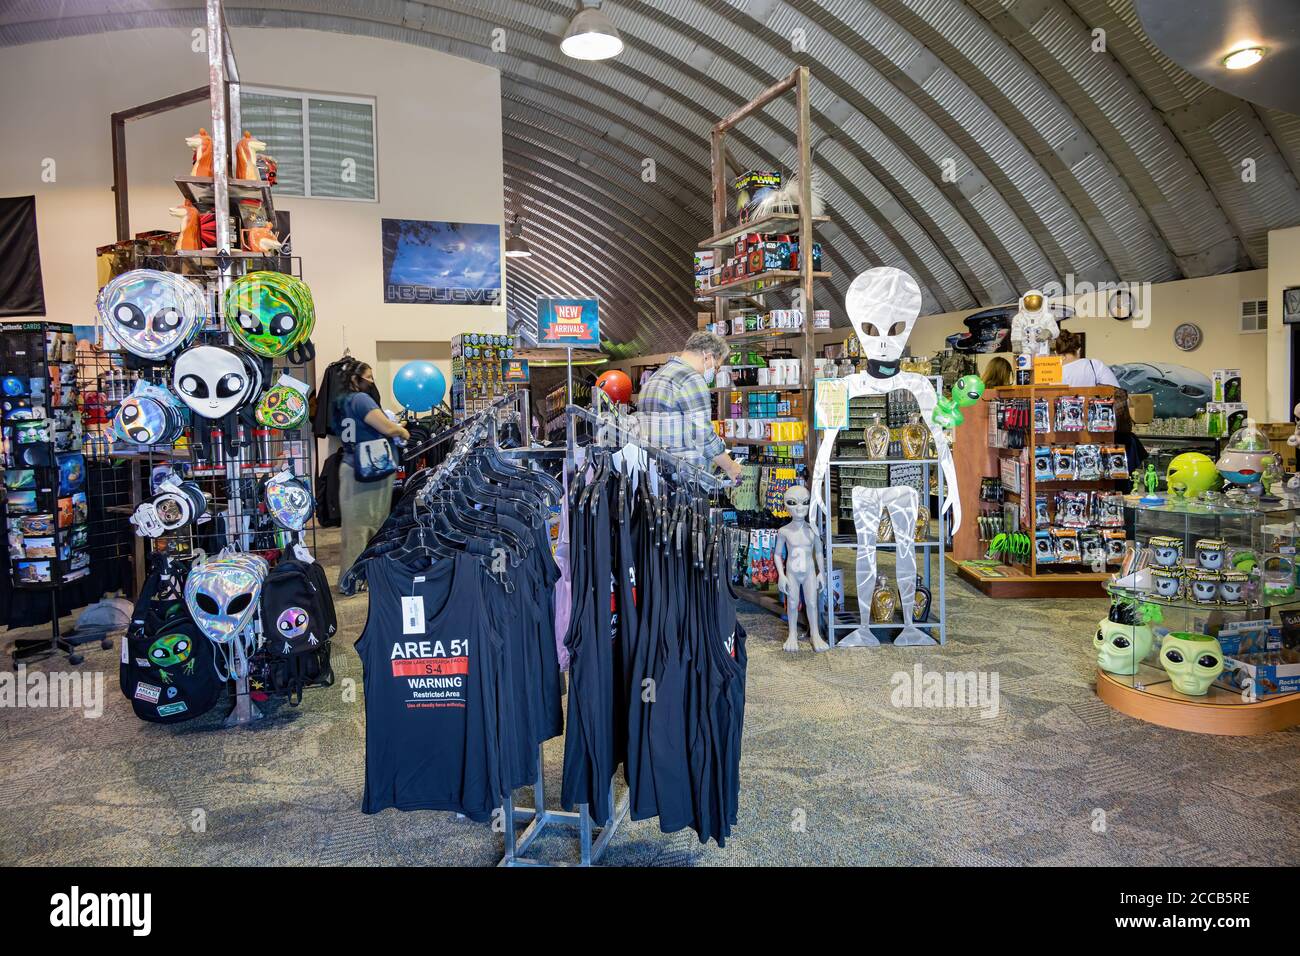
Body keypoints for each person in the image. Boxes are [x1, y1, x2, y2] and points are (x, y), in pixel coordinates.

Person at [334, 361, 410, 591]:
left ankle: (358, 577)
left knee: (357, 526)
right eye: (369, 377)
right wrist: (402, 428)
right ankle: (352, 579)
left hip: (352, 466)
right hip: (367, 471)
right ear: (358, 379)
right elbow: (388, 428)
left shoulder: (341, 401)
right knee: (365, 526)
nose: (372, 381)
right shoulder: (361, 399)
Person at [636, 331, 743, 480]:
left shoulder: (657, 376)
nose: (715, 372)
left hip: (654, 477)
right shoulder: (691, 379)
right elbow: (703, 436)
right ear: (708, 357)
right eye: (717, 367)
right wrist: (730, 467)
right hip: (685, 482)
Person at [1054, 329, 1119, 387]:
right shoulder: (1095, 365)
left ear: (1056, 353)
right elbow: (1117, 393)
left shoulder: (1052, 373)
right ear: (1079, 350)